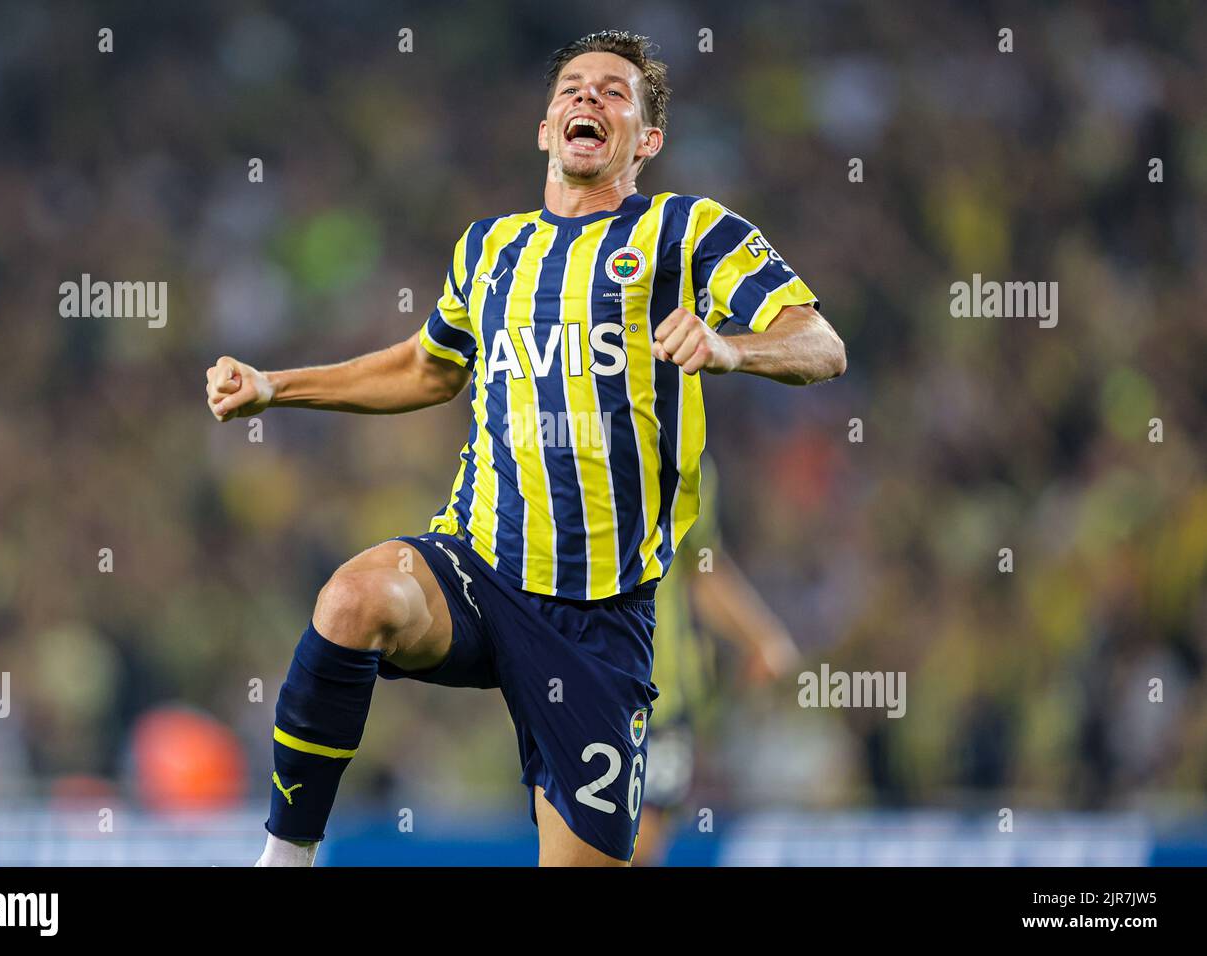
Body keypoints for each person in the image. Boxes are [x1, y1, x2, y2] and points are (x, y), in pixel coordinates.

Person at [204, 29, 845, 867]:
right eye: (573, 88)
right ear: (545, 127)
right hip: (481, 567)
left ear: (646, 141)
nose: (588, 98)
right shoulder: (490, 250)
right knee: (353, 599)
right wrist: (276, 387)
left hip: (600, 619)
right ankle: (287, 858)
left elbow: (820, 343)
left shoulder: (686, 232)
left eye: (615, 92)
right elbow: (428, 369)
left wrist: (731, 348)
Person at [632, 457, 800, 865]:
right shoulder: (571, 435)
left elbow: (701, 570)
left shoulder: (683, 452)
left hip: (660, 697)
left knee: (636, 847)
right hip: (581, 682)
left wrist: (761, 638)